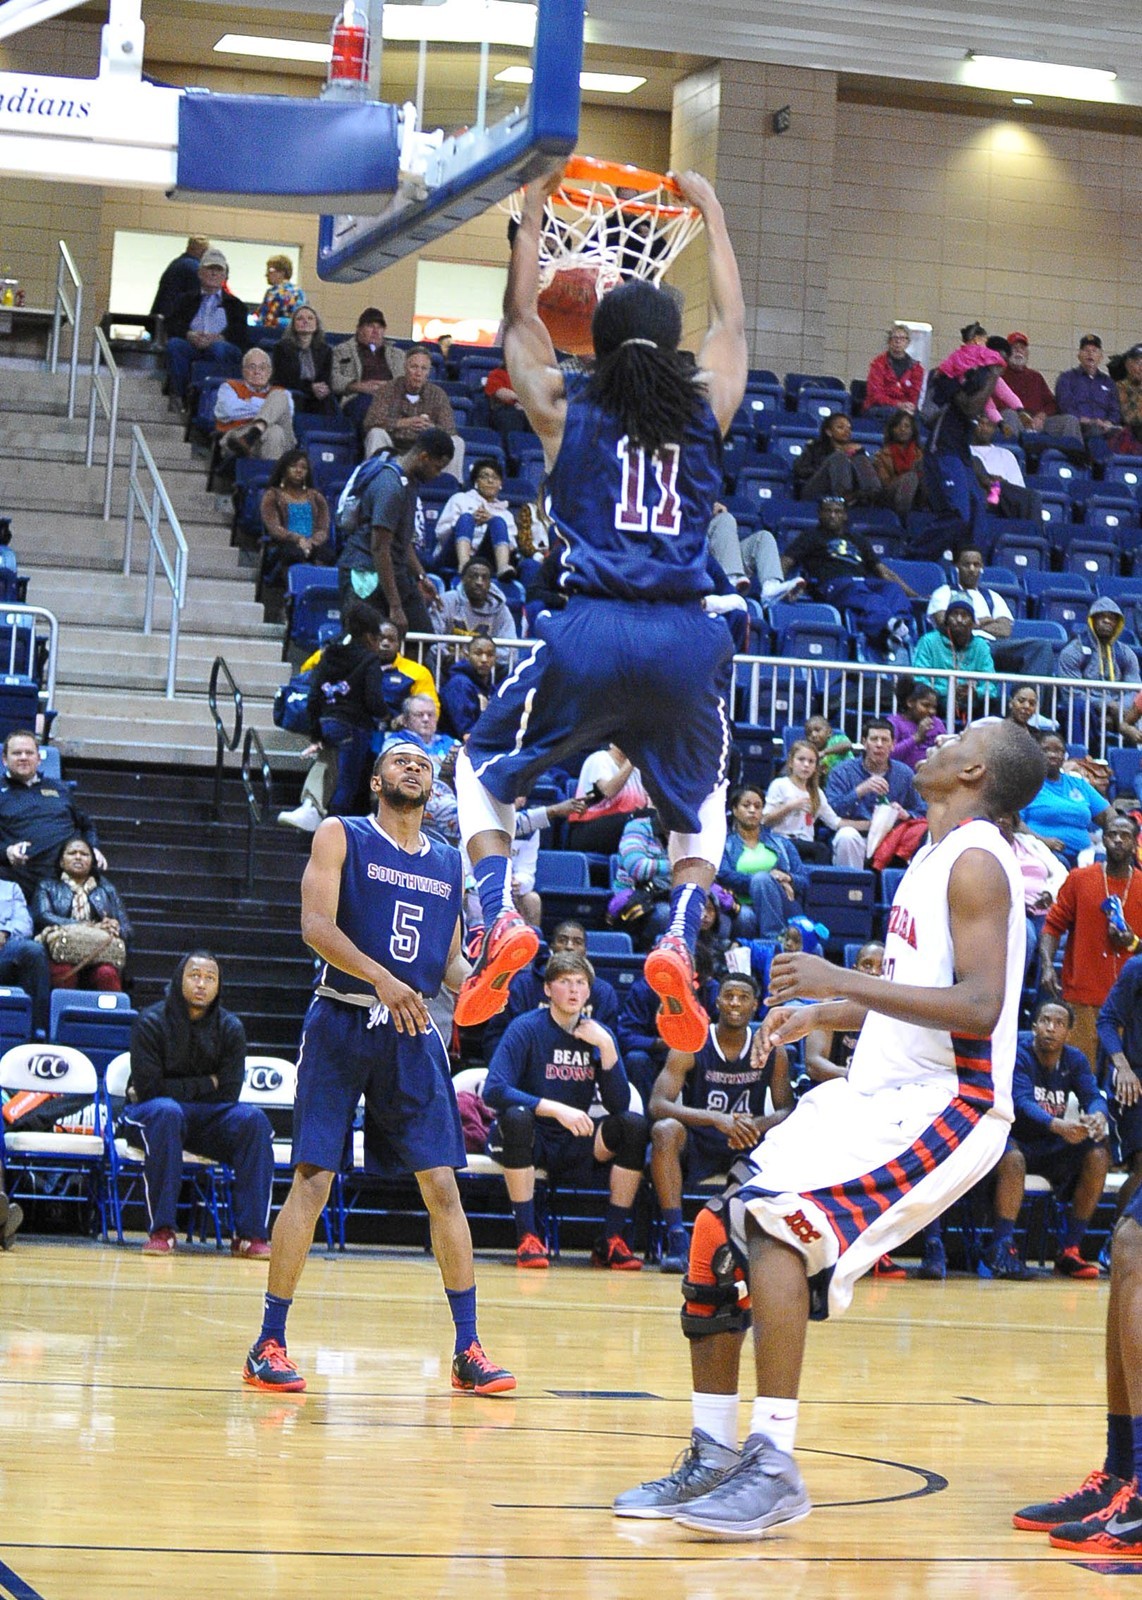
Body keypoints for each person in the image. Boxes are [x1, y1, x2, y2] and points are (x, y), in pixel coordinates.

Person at [616, 718, 1046, 1538]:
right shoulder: (933, 853)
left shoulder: (981, 861)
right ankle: (712, 1453)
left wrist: (836, 976)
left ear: (974, 769)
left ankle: (773, 1463)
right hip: (878, 1090)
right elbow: (921, 992)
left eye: (958, 735)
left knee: (775, 1225)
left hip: (947, 1105)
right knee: (717, 1233)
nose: (941, 739)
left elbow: (983, 1008)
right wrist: (831, 1008)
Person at [452, 167, 748, 1058]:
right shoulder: (706, 410)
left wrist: (531, 220)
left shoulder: (563, 405)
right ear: (670, 344)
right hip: (688, 635)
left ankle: (497, 913)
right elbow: (733, 325)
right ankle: (677, 938)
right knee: (703, 813)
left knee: (478, 772)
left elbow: (518, 324)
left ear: (599, 338)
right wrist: (716, 211)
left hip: (592, 627)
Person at [242, 737, 514, 1395]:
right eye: (400, 758)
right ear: (375, 780)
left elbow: (449, 963)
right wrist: (383, 978)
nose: (413, 765)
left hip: (411, 1031)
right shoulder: (342, 835)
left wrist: (486, 978)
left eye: (422, 761)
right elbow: (315, 925)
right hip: (340, 1020)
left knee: (444, 1187)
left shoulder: (450, 862)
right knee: (312, 1179)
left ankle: (468, 1349)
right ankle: (268, 1341)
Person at [483, 949, 647, 1271]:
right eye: (564, 982)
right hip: (532, 1139)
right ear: (547, 989)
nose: (573, 990)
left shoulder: (598, 1034)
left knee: (634, 1126)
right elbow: (494, 1089)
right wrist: (556, 1109)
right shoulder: (525, 1028)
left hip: (577, 1141)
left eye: (581, 983)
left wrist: (608, 1048)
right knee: (517, 1117)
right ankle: (527, 1236)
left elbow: (618, 1106)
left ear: (589, 991)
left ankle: (610, 1241)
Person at [119, 952, 273, 1258]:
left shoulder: (230, 1028)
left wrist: (186, 1087)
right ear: (180, 979)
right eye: (194, 976)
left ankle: (250, 1235)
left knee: (253, 1121)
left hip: (205, 1119)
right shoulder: (150, 1022)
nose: (201, 984)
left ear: (218, 986)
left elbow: (228, 1092)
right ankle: (162, 1231)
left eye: (209, 978)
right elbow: (149, 1089)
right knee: (167, 1112)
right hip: (150, 1115)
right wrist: (207, 1083)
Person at [650, 974, 792, 1272]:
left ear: (756, 1005)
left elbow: (788, 1110)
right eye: (729, 996)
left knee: (789, 1141)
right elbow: (658, 1104)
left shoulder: (772, 1049)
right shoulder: (691, 1043)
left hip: (747, 1142)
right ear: (717, 1001)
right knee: (664, 1131)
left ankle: (772, 1244)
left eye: (743, 997)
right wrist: (716, 1119)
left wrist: (756, 1125)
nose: (735, 1003)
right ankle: (677, 1236)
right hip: (700, 1139)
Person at [976, 998, 1109, 1280]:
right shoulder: (1018, 1054)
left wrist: (1098, 1115)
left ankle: (1070, 1250)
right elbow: (1022, 1103)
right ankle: (1001, 1247)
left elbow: (1093, 1096)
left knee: (1098, 1154)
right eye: (1045, 1021)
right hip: (1015, 1138)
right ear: (1034, 1026)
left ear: (1068, 1033)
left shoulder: (1075, 1059)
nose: (1051, 1028)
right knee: (1012, 1159)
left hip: (1051, 1147)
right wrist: (1057, 1125)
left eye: (1059, 1023)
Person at [1040, 815, 1142, 1066]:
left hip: (1129, 1002)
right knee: (1079, 1077)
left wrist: (1132, 942)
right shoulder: (1079, 878)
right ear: (1103, 839)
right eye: (1112, 834)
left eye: (1125, 835)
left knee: (1124, 1083)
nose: (1118, 840)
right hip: (1082, 994)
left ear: (1135, 843)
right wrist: (1046, 966)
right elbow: (1053, 925)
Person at [336, 431, 454, 632]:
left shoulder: (410, 481)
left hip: (393, 569)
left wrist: (420, 576)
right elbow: (380, 547)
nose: (438, 474)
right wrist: (395, 606)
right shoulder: (390, 486)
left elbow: (402, 538)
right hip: (366, 572)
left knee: (421, 634)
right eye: (437, 467)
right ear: (423, 457)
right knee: (365, 642)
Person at [781, 498, 916, 653]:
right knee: (870, 597)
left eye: (837, 511)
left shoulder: (857, 539)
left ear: (845, 515)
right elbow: (786, 561)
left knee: (892, 589)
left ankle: (896, 628)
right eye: (828, 511)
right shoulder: (810, 536)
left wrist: (915, 595)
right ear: (819, 514)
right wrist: (779, 586)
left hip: (862, 583)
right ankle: (886, 630)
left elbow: (884, 571)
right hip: (833, 585)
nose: (832, 515)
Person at [483, 919, 620, 1057]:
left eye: (577, 942)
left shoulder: (603, 992)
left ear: (585, 951)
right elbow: (495, 1037)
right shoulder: (522, 984)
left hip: (582, 1068)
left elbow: (609, 1043)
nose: (569, 947)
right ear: (551, 947)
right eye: (562, 940)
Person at [928, 544, 1055, 680]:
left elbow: (1005, 630)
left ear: (982, 567)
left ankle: (1025, 697)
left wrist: (969, 624)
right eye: (967, 564)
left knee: (1041, 647)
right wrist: (984, 621)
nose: (972, 569)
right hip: (961, 647)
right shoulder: (943, 593)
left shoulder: (993, 596)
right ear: (957, 567)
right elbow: (945, 625)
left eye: (976, 565)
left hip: (993, 648)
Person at [0, 731, 103, 895]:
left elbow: (87, 826)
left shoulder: (60, 788)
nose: (23, 757)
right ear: (5, 760)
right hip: (20, 878)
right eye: (17, 753)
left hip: (67, 877)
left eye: (29, 753)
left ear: (39, 759)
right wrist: (7, 852)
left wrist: (93, 849)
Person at [32, 836, 130, 994]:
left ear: (92, 861)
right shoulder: (47, 886)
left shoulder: (106, 890)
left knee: (107, 974)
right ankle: (62, 1017)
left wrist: (115, 929)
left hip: (99, 953)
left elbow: (126, 928)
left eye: (84, 854)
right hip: (59, 953)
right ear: (61, 861)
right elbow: (42, 916)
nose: (78, 857)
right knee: (63, 972)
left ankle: (111, 1018)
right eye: (72, 853)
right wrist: (84, 926)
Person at [823, 719, 925, 862]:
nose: (879, 745)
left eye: (884, 740)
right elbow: (831, 810)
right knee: (847, 836)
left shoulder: (905, 773)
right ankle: (851, 884)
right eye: (874, 739)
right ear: (864, 743)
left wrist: (905, 814)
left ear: (893, 745)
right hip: (857, 834)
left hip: (892, 837)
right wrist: (859, 791)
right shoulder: (842, 771)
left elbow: (921, 811)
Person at [717, 783, 807, 939]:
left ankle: (772, 941)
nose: (753, 810)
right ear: (735, 810)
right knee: (746, 915)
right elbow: (724, 875)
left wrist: (788, 878)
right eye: (746, 805)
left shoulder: (782, 843)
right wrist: (768, 880)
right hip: (742, 903)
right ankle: (774, 940)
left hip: (781, 905)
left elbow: (804, 881)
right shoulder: (726, 845)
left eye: (758, 806)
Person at [362, 345, 463, 481]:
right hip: (394, 448)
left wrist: (431, 429)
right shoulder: (387, 390)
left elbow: (450, 429)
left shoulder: (438, 394)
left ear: (429, 372)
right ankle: (374, 480)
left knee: (457, 442)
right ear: (405, 368)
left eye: (423, 368)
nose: (418, 373)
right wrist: (402, 423)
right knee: (375, 433)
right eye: (414, 367)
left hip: (425, 453)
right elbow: (370, 422)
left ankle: (448, 485)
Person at [163, 247, 249, 399]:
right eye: (209, 268)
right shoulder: (185, 300)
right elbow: (171, 324)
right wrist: (189, 335)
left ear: (225, 276)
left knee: (218, 349)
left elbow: (241, 334)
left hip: (222, 346)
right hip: (192, 344)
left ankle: (209, 397)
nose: (214, 273)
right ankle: (181, 396)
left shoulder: (237, 305)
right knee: (175, 345)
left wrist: (219, 338)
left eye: (218, 269)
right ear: (200, 273)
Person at [1058, 598, 1142, 747]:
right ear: (1092, 620)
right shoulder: (1073, 651)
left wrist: (1120, 707)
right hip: (1088, 708)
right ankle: (1081, 757)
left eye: (1112, 618)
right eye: (1102, 617)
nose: (1107, 621)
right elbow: (1071, 692)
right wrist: (1105, 705)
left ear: (1118, 623)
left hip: (1120, 710)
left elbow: (1135, 690)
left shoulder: (1125, 653)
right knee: (1078, 707)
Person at [1021, 732, 1112, 867]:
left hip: (1085, 853)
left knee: (1107, 864)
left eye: (1058, 751)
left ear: (1065, 756)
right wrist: (1043, 841)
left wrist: (1114, 834)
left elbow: (1108, 814)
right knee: (1062, 864)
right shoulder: (1027, 784)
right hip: (1041, 851)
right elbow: (1015, 822)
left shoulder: (1079, 784)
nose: (1053, 755)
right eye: (1046, 750)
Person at [1098, 952, 1142, 1218]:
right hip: (1133, 1078)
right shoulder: (1137, 967)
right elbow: (1106, 1021)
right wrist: (1123, 1068)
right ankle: (1117, 1240)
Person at [762, 740, 849, 865]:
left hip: (806, 844)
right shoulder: (780, 785)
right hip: (782, 840)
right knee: (821, 849)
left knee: (813, 858)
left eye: (811, 761)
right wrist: (790, 807)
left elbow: (835, 822)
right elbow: (765, 820)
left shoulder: (817, 793)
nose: (806, 765)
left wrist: (869, 825)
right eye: (801, 760)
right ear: (791, 762)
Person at [912, 592, 995, 720]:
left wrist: (976, 692)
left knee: (996, 705)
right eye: (954, 614)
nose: (959, 620)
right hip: (936, 703)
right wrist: (949, 692)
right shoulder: (929, 641)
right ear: (946, 620)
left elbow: (992, 685)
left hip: (972, 705)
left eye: (965, 615)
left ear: (973, 622)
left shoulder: (981, 646)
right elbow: (919, 680)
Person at [432, 460, 518, 577]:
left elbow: (512, 546)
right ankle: (465, 565)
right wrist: (471, 523)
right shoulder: (460, 499)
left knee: (498, 521)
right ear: (476, 482)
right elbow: (441, 533)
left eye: (495, 478)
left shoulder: (506, 513)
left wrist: (491, 521)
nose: (490, 481)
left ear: (500, 485)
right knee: (466, 518)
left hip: (487, 558)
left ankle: (502, 567)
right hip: (453, 556)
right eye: (485, 476)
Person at [259, 449, 331, 582]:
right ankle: (294, 594)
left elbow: (323, 528)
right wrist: (298, 539)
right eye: (293, 466)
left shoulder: (316, 497)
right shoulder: (273, 495)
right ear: (284, 469)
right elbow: (274, 528)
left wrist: (311, 542)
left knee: (328, 556)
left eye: (303, 467)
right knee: (294, 554)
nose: (299, 470)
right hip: (285, 544)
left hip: (312, 545)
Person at [214, 347, 296, 461]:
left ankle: (252, 435)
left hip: (281, 443)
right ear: (243, 371)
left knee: (279, 400)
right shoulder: (229, 387)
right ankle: (271, 477)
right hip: (237, 440)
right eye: (252, 367)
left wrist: (249, 402)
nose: (257, 372)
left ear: (270, 372)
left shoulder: (282, 394)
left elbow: (287, 415)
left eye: (262, 368)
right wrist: (266, 406)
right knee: (275, 431)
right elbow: (229, 411)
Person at [331, 307, 406, 429]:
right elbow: (333, 379)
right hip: (358, 398)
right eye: (370, 326)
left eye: (380, 327)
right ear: (359, 329)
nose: (375, 331)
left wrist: (388, 388)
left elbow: (408, 382)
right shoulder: (341, 350)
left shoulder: (398, 355)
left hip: (392, 399)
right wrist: (358, 386)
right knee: (369, 406)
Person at [429, 556, 518, 657]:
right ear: (463, 579)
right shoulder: (446, 601)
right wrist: (451, 655)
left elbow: (510, 651)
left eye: (484, 578)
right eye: (474, 576)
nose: (479, 582)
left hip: (487, 668)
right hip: (446, 665)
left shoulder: (501, 610)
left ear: (490, 583)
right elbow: (431, 639)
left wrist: (479, 657)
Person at [1002, 333, 1082, 441]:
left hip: (1038, 422)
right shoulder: (1000, 375)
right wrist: (1023, 417)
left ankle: (1073, 456)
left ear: (1027, 353)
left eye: (1022, 348)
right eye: (1014, 348)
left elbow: (1051, 403)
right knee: (1009, 415)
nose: (1018, 351)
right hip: (1015, 420)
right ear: (1007, 353)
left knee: (1070, 420)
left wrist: (1042, 416)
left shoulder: (1035, 377)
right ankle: (1014, 455)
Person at [1055, 335, 1122, 463]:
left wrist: (1109, 422)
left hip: (1105, 428)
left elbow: (1115, 409)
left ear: (1101, 357)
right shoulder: (1067, 378)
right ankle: (1102, 467)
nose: (1090, 354)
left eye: (1094, 351)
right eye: (1086, 350)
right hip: (1080, 427)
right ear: (1079, 355)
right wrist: (1088, 421)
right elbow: (1065, 405)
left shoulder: (1108, 382)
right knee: (1094, 432)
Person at [792, 412, 881, 504]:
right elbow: (800, 469)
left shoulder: (854, 449)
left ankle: (873, 493)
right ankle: (844, 495)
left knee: (860, 457)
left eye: (849, 428)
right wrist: (829, 469)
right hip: (816, 487)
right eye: (840, 427)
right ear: (829, 432)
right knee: (839, 456)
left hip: (853, 489)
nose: (847, 431)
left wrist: (860, 453)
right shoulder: (814, 448)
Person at [0, 873, 50, 1034]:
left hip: (4, 948)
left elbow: (24, 924)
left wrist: (5, 931)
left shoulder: (10, 888)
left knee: (33, 951)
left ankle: (37, 1031)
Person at [269, 305, 334, 415]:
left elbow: (326, 378)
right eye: (300, 319)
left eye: (310, 318)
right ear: (293, 325)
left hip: (317, 397)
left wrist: (323, 389)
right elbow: (282, 379)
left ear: (316, 324)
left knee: (328, 402)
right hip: (292, 394)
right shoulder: (281, 348)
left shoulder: (325, 350)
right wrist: (310, 387)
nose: (305, 321)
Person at [440, 636, 498, 741]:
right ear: (467, 656)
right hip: (454, 747)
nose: (484, 659)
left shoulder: (491, 689)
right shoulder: (459, 684)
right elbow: (466, 733)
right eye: (478, 653)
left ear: (495, 658)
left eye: (490, 655)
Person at [871, 408, 925, 518]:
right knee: (910, 477)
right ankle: (902, 517)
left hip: (918, 496)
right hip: (891, 496)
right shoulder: (881, 455)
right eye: (898, 426)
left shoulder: (921, 455)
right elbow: (884, 485)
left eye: (907, 426)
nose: (902, 429)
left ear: (912, 430)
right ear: (892, 430)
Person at [885, 678, 947, 771]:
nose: (931, 711)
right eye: (925, 705)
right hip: (902, 776)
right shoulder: (894, 723)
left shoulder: (937, 723)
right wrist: (916, 737)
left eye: (934, 707)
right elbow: (889, 754)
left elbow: (947, 753)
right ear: (910, 702)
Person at [863, 325, 924, 417]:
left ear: (908, 342)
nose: (898, 341)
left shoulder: (916, 368)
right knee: (898, 415)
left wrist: (909, 405)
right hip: (880, 407)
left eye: (902, 338)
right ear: (889, 341)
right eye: (895, 338)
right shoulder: (878, 364)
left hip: (907, 409)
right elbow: (875, 395)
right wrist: (898, 404)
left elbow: (916, 393)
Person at [150, 235, 208, 324]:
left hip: (160, 317)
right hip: (173, 321)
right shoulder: (194, 267)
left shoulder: (178, 263)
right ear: (204, 252)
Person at [255, 254, 305, 329]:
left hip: (282, 336)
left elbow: (298, 319)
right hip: (264, 335)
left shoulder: (295, 292)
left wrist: (276, 322)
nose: (266, 274)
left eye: (270, 270)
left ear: (282, 272)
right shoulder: (270, 292)